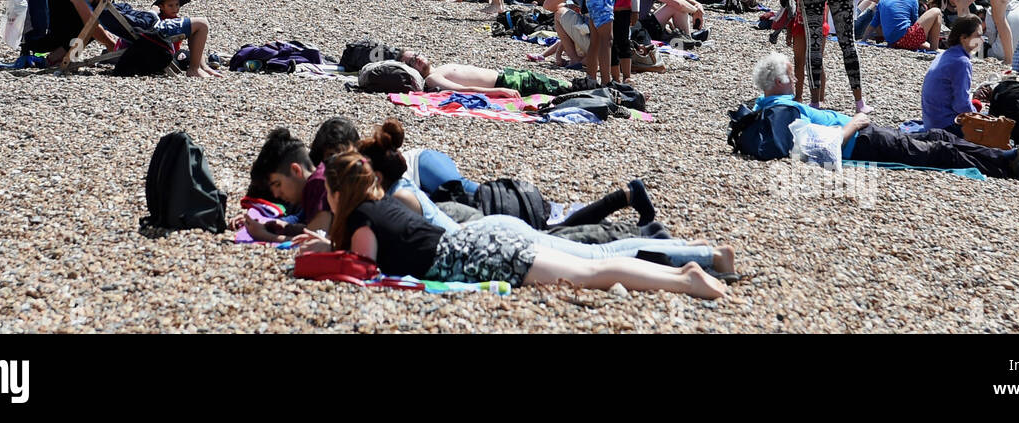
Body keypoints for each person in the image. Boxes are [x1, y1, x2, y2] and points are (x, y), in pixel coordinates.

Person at [295, 149, 728, 300]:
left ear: (338, 193)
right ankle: (695, 259)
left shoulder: (361, 222)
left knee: (592, 273)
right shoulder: (385, 201)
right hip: (489, 233)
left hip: (485, 256)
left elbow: (363, 269)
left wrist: (323, 254)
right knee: (593, 256)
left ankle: (684, 279)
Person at [748, 53, 1019, 177]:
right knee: (939, 149)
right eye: (792, 74)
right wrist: (853, 123)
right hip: (861, 141)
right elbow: (815, 150)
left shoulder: (775, 107)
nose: (798, 78)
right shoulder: (783, 112)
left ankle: (1004, 154)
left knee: (938, 136)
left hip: (865, 136)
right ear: (779, 82)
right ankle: (1012, 163)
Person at [397, 50, 573, 97]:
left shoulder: (440, 68)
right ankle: (596, 90)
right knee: (563, 89)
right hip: (507, 84)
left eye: (416, 55)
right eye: (412, 62)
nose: (417, 59)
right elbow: (461, 90)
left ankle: (595, 88)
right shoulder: (432, 79)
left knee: (558, 84)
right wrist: (497, 92)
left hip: (509, 76)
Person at [920, 16, 983, 131]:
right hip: (945, 126)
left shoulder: (945, 55)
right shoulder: (961, 62)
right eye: (978, 36)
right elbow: (961, 105)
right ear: (963, 38)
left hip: (930, 121)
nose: (982, 40)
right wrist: (978, 116)